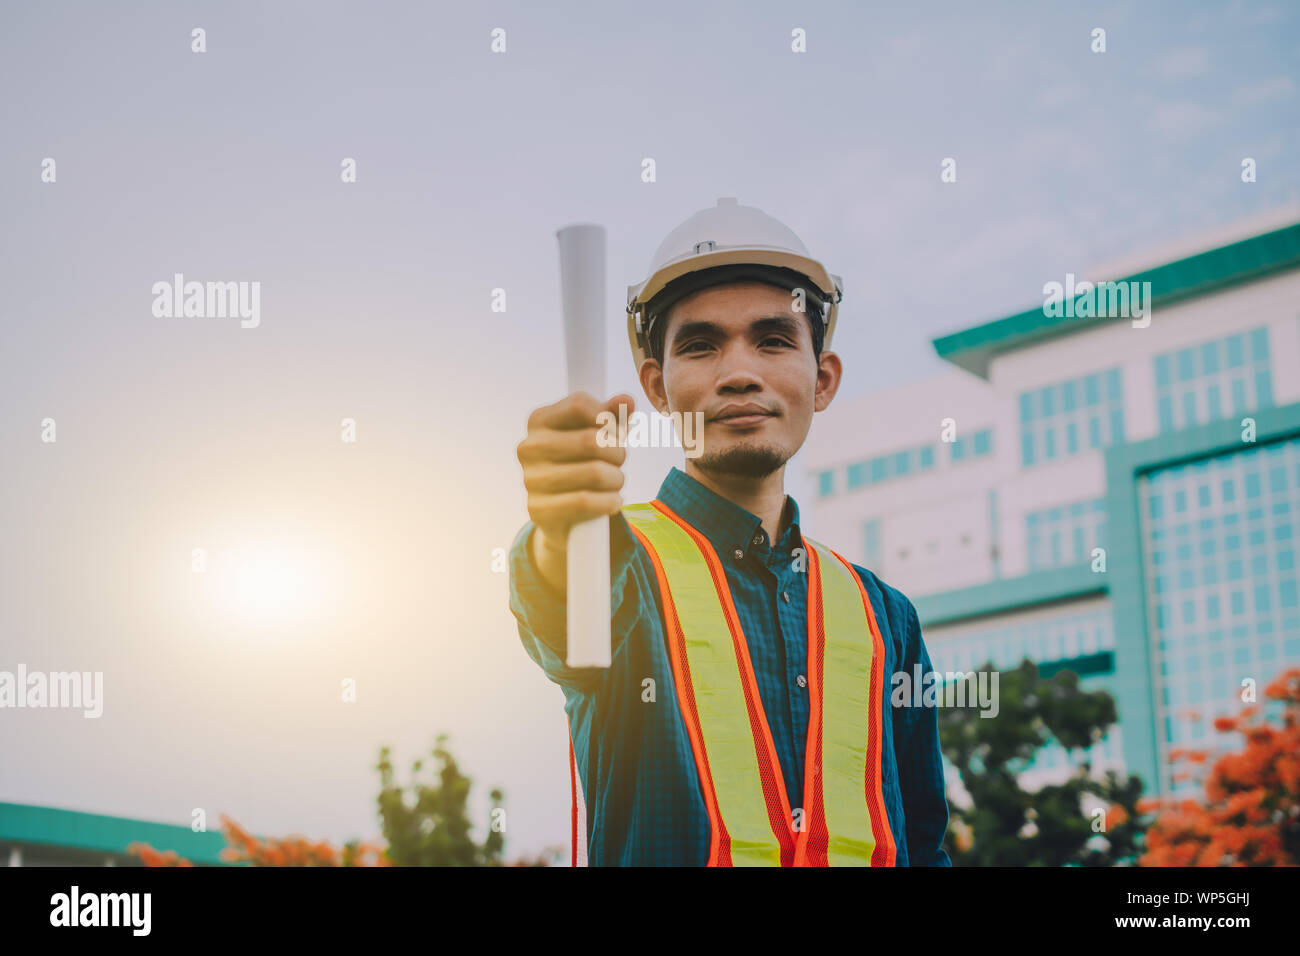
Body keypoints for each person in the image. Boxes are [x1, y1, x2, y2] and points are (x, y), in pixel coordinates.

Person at [510, 198, 951, 866]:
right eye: (700, 345)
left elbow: (923, 845)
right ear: (657, 388)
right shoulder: (617, 559)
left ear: (822, 378)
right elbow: (562, 598)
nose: (739, 372)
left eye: (773, 339)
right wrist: (563, 525)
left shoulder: (887, 617)